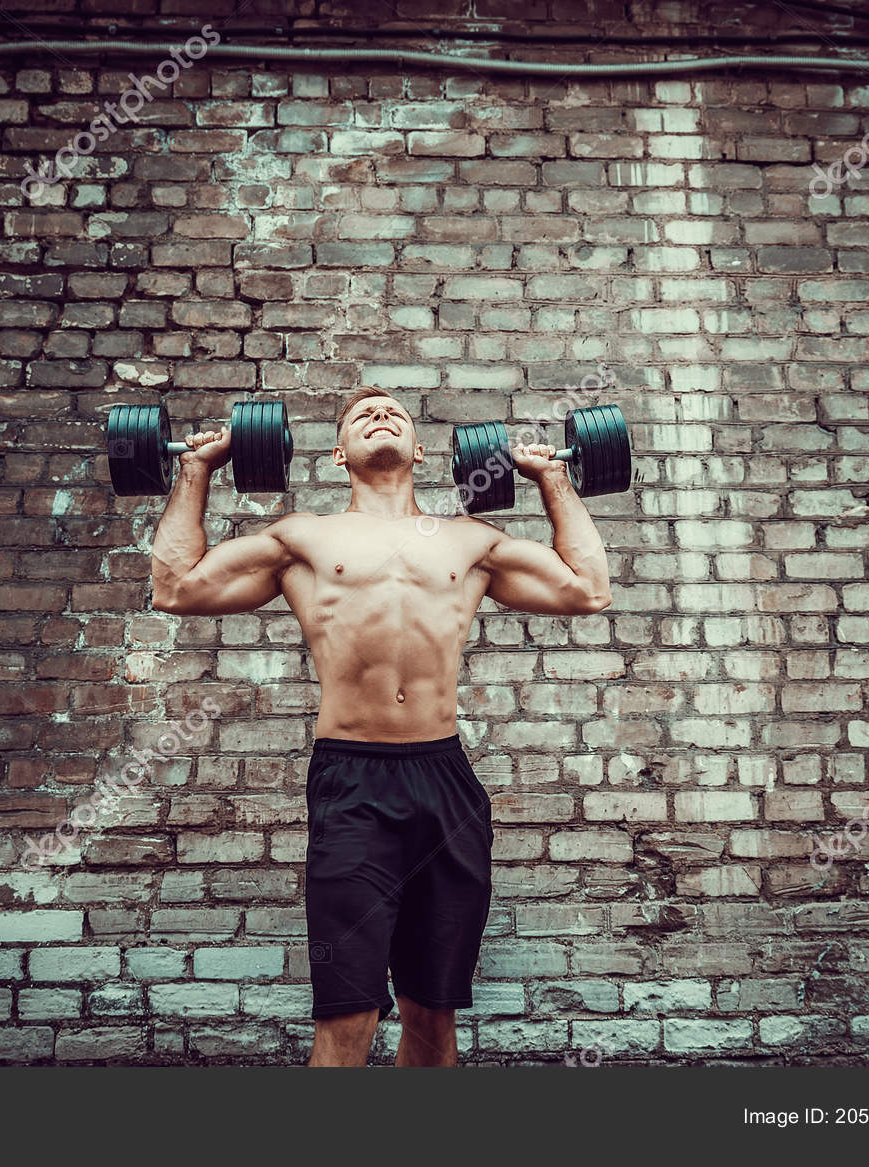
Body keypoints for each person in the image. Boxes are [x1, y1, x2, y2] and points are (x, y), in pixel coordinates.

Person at [147, 388, 611, 1066]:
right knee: (349, 1014)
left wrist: (553, 478)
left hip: (446, 785)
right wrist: (197, 469)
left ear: (423, 451)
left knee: (431, 1016)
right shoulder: (302, 537)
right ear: (339, 453)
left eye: (395, 411)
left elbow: (587, 588)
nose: (379, 415)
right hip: (353, 784)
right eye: (360, 415)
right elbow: (176, 587)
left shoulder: (472, 540)